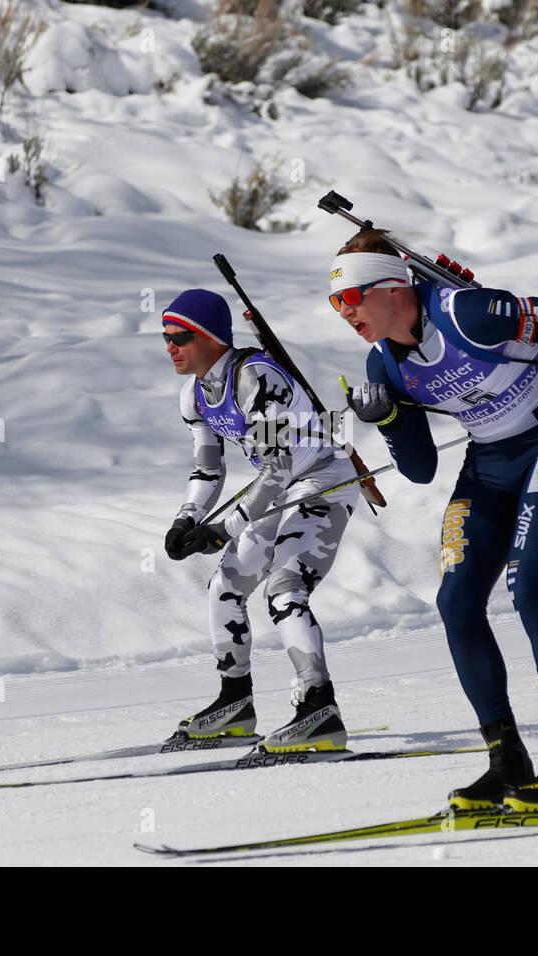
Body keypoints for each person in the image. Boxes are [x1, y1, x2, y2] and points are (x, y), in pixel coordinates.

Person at [332, 231, 538, 811]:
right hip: (488, 464)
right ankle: (507, 760)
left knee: (529, 591)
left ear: (389, 288)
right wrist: (386, 419)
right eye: (335, 304)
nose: (344, 312)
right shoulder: (382, 361)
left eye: (350, 298)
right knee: (456, 603)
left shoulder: (467, 312)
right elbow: (421, 468)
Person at [161, 288, 360, 752]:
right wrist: (186, 519)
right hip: (277, 491)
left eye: (180, 336)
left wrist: (223, 529)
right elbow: (209, 469)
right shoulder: (194, 395)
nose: (170, 346)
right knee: (226, 585)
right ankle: (235, 703)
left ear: (211, 337)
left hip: (321, 480)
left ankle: (319, 708)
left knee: (285, 587)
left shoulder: (256, 378)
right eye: (165, 337)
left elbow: (278, 468)